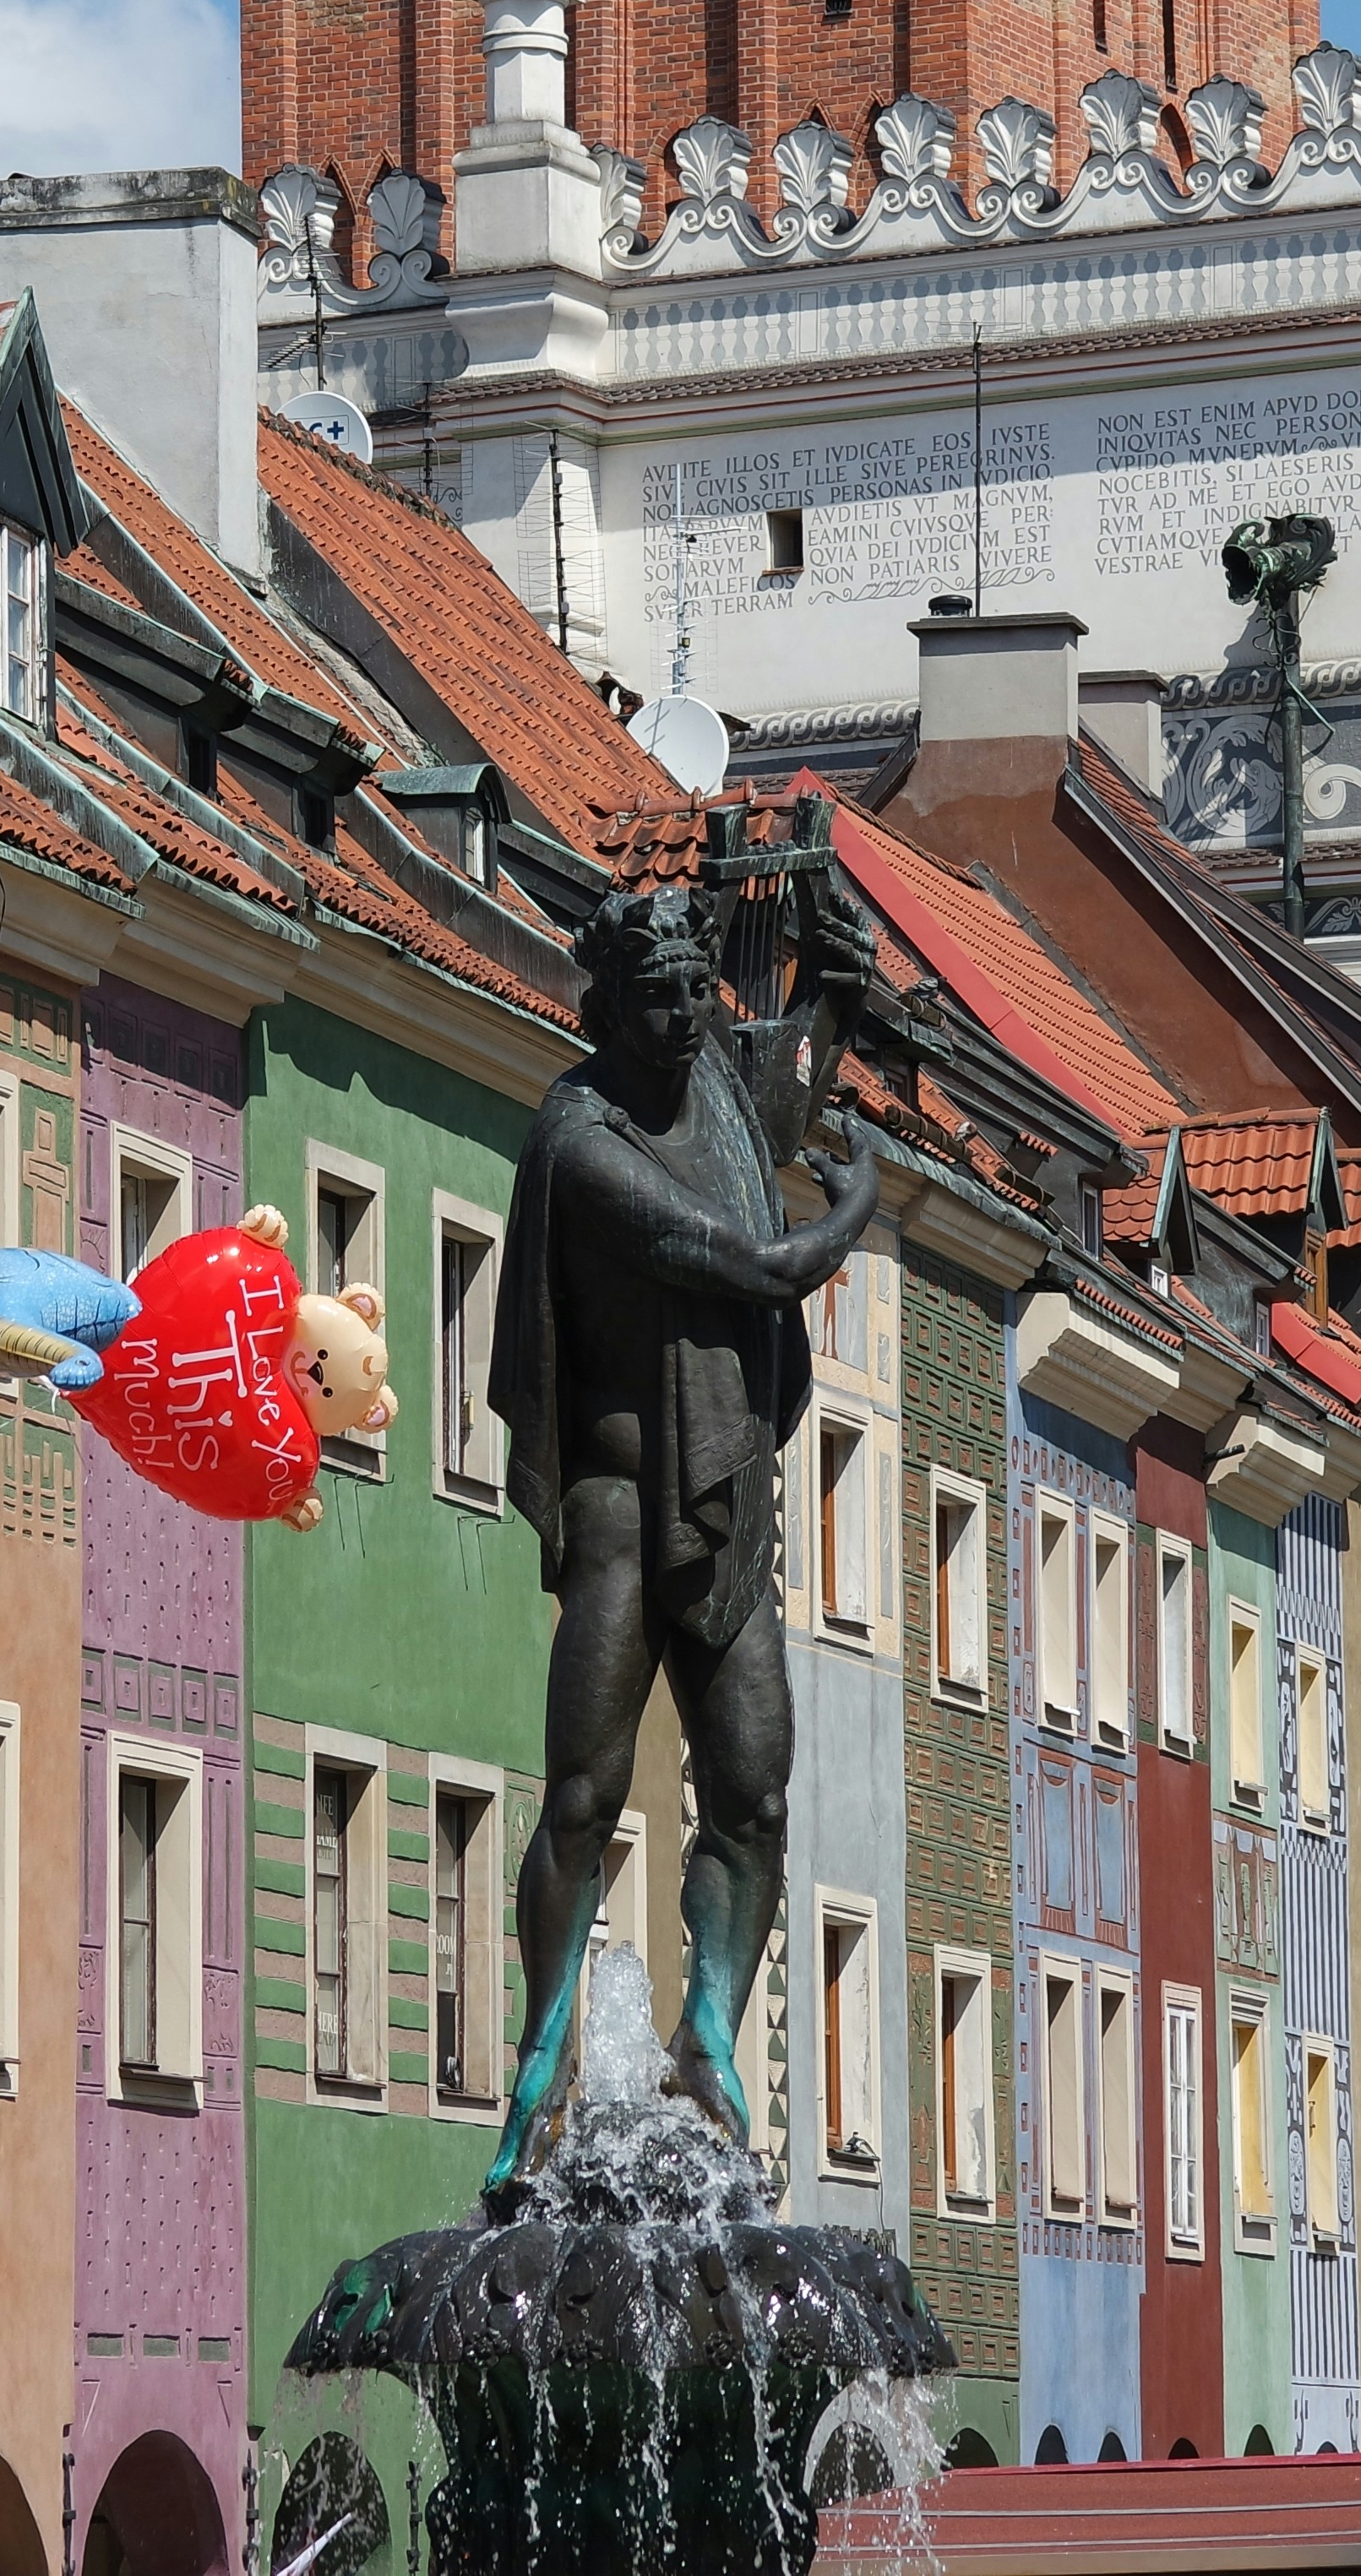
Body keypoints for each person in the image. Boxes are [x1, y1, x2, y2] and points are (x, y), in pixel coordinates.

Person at [485, 867, 881, 2188]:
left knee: (754, 1792)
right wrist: (859, 1199)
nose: (673, 1021)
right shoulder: (580, 1141)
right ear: (601, 999)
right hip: (615, 1506)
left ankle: (709, 2040)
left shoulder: (704, 1068)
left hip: (727, 1513)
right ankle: (543, 2063)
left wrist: (832, 984)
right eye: (647, 1000)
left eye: (687, 997)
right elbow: (759, 1262)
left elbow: (779, 1091)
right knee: (585, 1797)